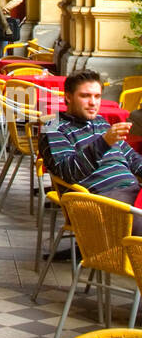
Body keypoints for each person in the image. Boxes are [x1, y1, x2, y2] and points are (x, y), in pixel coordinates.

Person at [39, 70, 142, 235]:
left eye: (97, 96)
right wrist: (104, 142)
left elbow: (131, 157)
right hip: (98, 201)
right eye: (85, 96)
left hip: (133, 192)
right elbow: (68, 173)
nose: (93, 102)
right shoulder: (53, 126)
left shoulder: (101, 122)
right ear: (68, 97)